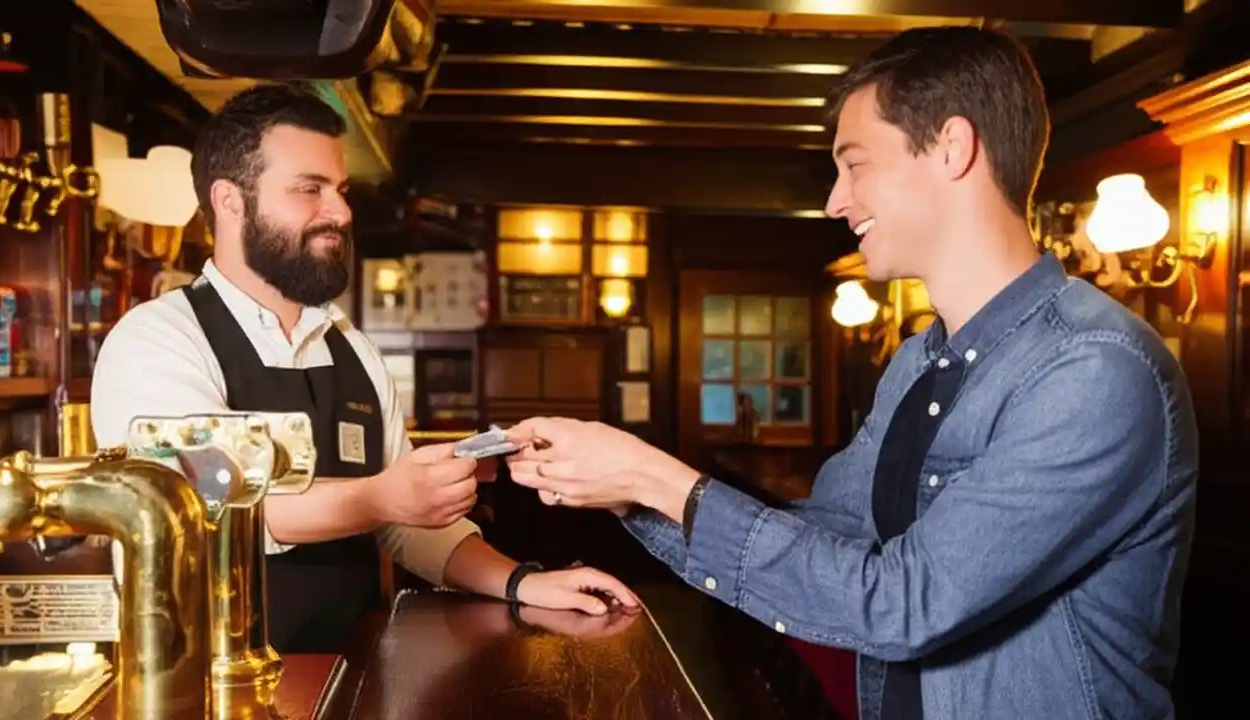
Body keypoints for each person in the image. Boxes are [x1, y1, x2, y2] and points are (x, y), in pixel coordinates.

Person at [506, 26, 1198, 720]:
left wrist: (653, 479)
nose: (835, 201)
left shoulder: (1097, 370)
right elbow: (834, 548)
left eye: (854, 164)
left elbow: (902, 603)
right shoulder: (917, 362)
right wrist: (626, 493)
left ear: (952, 148)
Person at [90, 82, 637, 655]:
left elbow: (406, 526)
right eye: (310, 189)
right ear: (230, 201)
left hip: (344, 678)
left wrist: (524, 582)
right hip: (200, 687)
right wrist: (379, 497)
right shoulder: (160, 340)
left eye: (342, 190)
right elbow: (208, 505)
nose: (342, 212)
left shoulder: (351, 348)